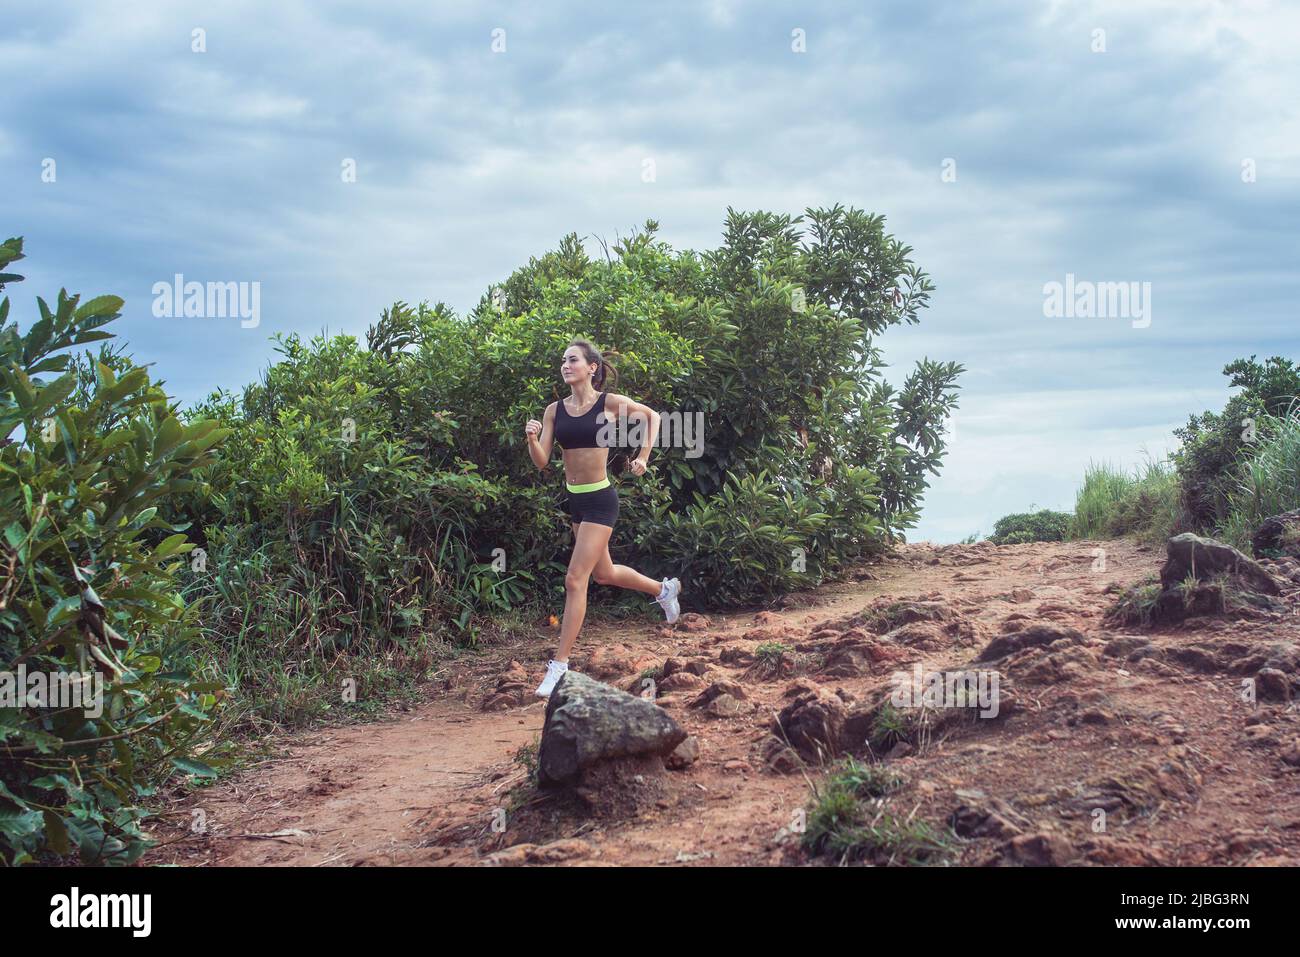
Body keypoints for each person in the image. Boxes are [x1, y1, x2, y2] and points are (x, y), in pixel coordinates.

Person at [524, 338, 681, 698]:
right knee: (604, 574)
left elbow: (652, 416)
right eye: (563, 360)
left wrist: (643, 456)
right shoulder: (554, 411)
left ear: (592, 368)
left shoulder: (608, 404)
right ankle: (664, 589)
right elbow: (542, 461)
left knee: (575, 579)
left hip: (600, 500)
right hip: (574, 501)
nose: (566, 365)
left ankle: (559, 666)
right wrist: (531, 439)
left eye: (573, 360)